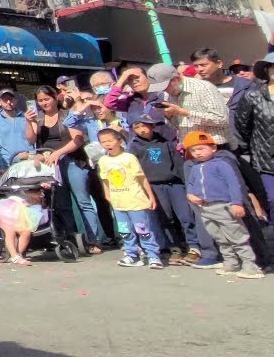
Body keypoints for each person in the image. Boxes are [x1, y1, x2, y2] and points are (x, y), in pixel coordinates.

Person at [31, 86, 107, 252]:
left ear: (54, 98)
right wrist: (27, 122)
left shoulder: (66, 115)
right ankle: (71, 239)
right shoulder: (38, 119)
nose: (44, 103)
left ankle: (94, 240)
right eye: (40, 100)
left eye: (47, 99)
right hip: (51, 165)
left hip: (73, 161)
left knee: (82, 200)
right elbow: (31, 140)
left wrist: (58, 152)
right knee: (62, 203)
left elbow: (77, 140)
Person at [184, 130, 264, 279]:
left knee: (237, 236)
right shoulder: (194, 168)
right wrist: (190, 195)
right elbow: (191, 185)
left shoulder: (221, 164)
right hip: (205, 208)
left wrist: (236, 203)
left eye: (201, 148)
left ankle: (250, 265)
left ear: (213, 148)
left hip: (224, 206)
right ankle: (231, 262)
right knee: (219, 237)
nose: (197, 153)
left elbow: (234, 184)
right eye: (193, 150)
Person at [128, 114, 196, 261]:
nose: (142, 130)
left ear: (152, 126)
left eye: (144, 125)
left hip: (174, 184)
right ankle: (173, 247)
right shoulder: (134, 147)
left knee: (185, 216)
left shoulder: (165, 142)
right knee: (166, 218)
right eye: (137, 127)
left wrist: (187, 184)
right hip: (154, 186)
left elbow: (178, 164)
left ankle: (193, 246)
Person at [96, 128, 163, 269]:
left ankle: (152, 255)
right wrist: (107, 194)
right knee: (125, 230)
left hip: (135, 200)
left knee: (143, 229)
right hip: (118, 202)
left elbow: (141, 177)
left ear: (119, 140)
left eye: (110, 140)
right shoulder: (103, 160)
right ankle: (131, 254)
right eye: (103, 142)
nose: (107, 144)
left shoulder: (129, 157)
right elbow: (105, 179)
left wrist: (150, 196)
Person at [146, 62, 232, 148]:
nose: (164, 90)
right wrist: (170, 116)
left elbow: (222, 120)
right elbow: (179, 126)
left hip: (214, 147)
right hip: (190, 147)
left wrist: (184, 112)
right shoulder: (168, 94)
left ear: (176, 78)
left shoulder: (203, 88)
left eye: (165, 86)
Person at [235, 52, 274, 219]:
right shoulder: (253, 95)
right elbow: (242, 125)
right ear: (267, 70)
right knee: (272, 200)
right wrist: (254, 148)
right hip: (266, 159)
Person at [0, 186, 46, 266]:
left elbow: (40, 204)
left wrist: (38, 197)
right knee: (10, 231)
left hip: (23, 214)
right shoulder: (18, 190)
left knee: (26, 232)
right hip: (8, 209)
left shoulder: (39, 197)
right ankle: (15, 256)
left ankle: (18, 255)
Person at [0, 89, 33, 171]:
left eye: (11, 99)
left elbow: (32, 140)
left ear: (15, 100)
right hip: (9, 164)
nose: (8, 102)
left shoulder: (25, 117)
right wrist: (0, 166)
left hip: (29, 161)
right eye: (5, 100)